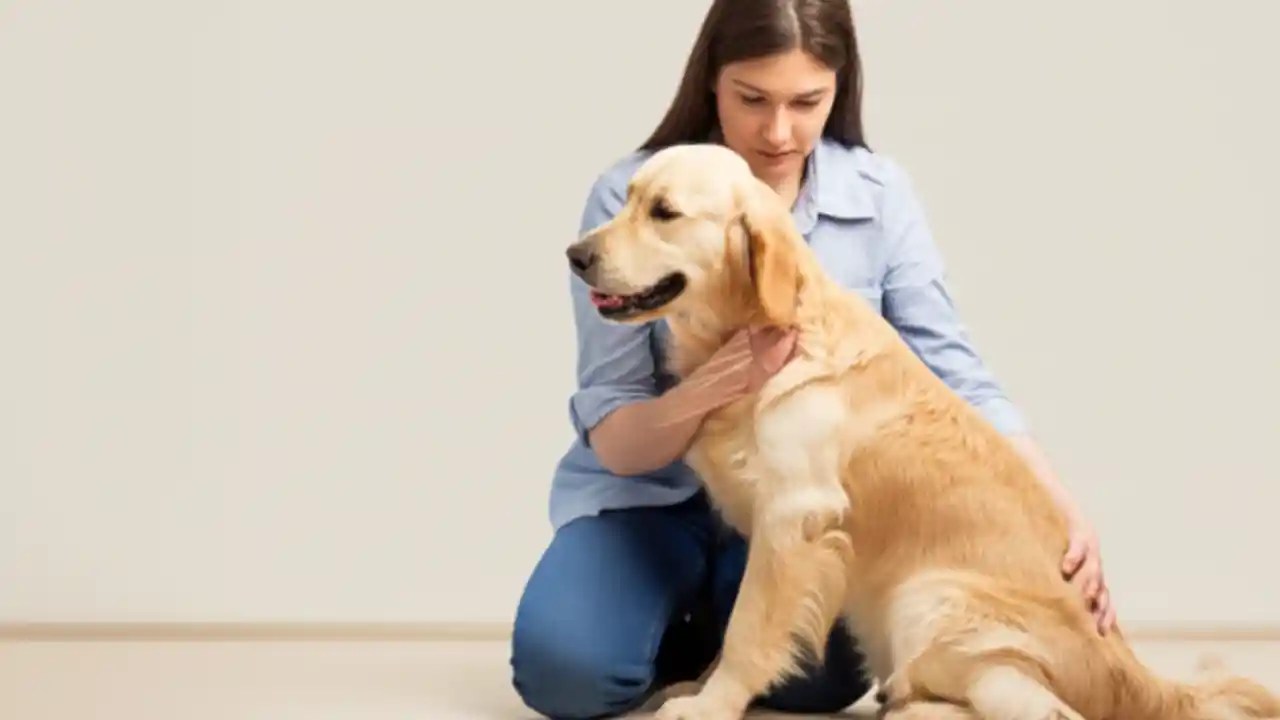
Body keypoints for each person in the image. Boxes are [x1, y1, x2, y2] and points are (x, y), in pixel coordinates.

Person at [510, 1, 1116, 718]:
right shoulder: (640, 192)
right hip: (650, 503)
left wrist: (1059, 512)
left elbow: (954, 370)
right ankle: (662, 628)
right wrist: (718, 383)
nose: (778, 132)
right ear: (712, 82)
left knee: (818, 681)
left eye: (807, 103)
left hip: (791, 515)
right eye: (752, 99)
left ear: (839, 89)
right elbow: (614, 434)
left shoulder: (879, 196)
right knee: (567, 675)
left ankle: (714, 640)